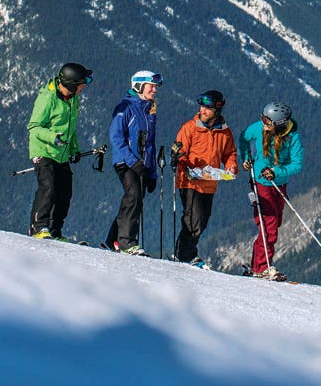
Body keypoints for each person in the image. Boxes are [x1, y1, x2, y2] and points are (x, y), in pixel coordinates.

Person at [26, 62, 92, 241]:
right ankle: (38, 227)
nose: (84, 87)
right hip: (43, 149)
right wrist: (53, 137)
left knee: (65, 190)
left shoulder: (72, 99)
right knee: (48, 186)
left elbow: (71, 128)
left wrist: (74, 149)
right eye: (81, 84)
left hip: (61, 152)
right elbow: (34, 127)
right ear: (71, 84)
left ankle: (55, 231)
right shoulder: (48, 98)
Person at [171, 90, 238, 266]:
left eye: (207, 108)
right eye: (202, 107)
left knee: (202, 220)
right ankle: (185, 255)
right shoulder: (190, 128)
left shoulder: (225, 132)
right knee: (193, 219)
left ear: (217, 110)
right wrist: (185, 166)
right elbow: (180, 152)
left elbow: (230, 153)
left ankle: (183, 253)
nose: (203, 110)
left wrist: (231, 166)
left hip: (210, 182)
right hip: (189, 181)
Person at [239, 102, 304, 281]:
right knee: (269, 227)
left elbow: (296, 164)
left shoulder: (292, 138)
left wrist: (276, 172)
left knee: (275, 223)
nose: (263, 123)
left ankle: (256, 265)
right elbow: (243, 137)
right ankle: (262, 267)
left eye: (267, 121)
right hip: (260, 182)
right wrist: (246, 158)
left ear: (279, 123)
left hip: (279, 184)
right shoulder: (259, 129)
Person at [104, 70, 162, 256]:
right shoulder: (126, 107)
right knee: (134, 196)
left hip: (141, 165)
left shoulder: (148, 110)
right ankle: (127, 242)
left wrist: (151, 173)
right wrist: (132, 161)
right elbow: (116, 137)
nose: (155, 90)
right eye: (151, 86)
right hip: (125, 162)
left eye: (155, 87)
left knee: (133, 200)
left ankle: (112, 240)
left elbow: (150, 144)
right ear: (139, 86)